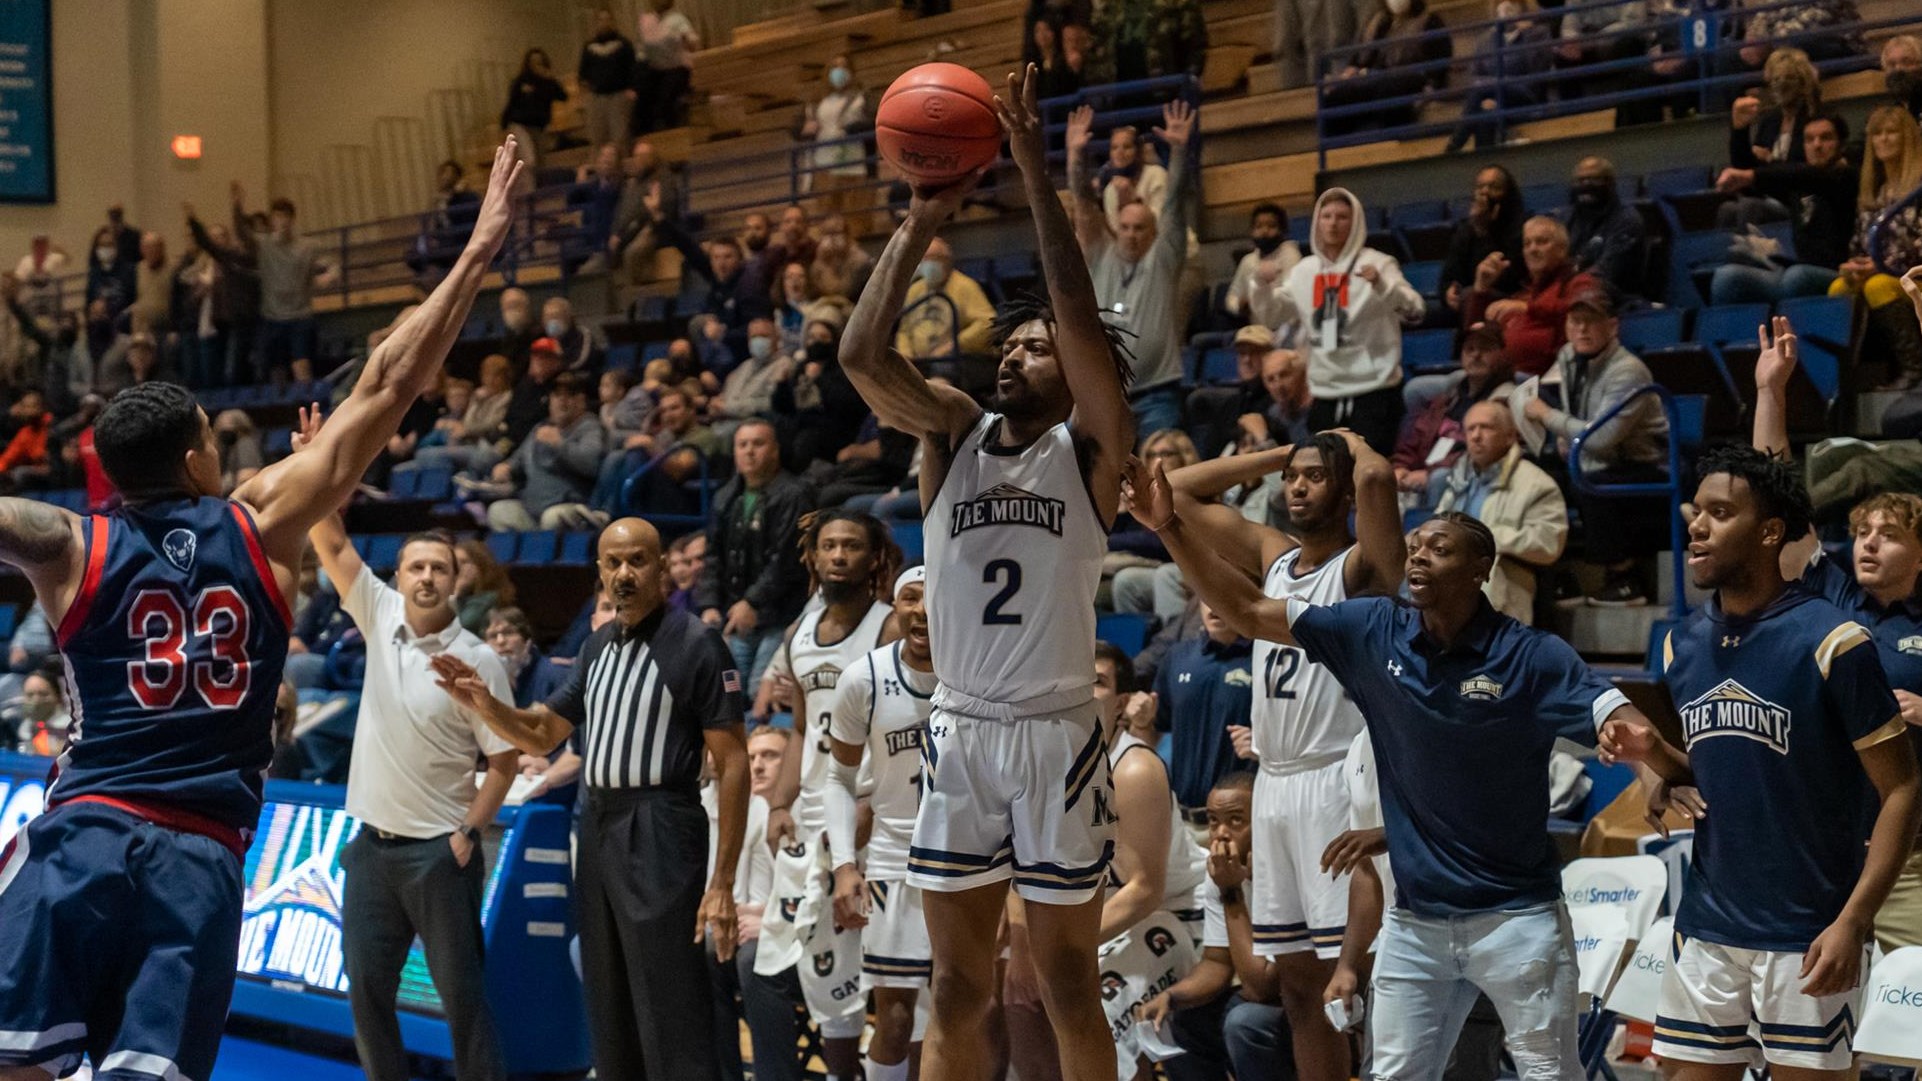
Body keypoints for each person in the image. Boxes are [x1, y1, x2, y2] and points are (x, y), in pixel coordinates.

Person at [0, 137, 523, 1081]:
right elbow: (390, 380)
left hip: (85, 832)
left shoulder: (70, 544)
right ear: (201, 458)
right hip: (198, 855)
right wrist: (478, 249)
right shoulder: (264, 521)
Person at [1131, 460, 1684, 1079]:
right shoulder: (1374, 631)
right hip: (1416, 922)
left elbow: (1622, 718)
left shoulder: (1530, 656)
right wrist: (1170, 528)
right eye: (1414, 545)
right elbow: (1252, 610)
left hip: (1517, 919)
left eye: (1439, 549)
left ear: (1480, 572)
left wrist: (1654, 765)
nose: (1417, 556)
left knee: (1549, 1074)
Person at [838, 65, 1136, 1081]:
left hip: (1054, 731)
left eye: (1036, 350)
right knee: (955, 986)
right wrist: (920, 219)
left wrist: (1026, 166)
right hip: (959, 729)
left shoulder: (1093, 452)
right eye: (1005, 346)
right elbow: (859, 354)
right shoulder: (952, 433)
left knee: (1063, 984)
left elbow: (1075, 310)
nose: (1013, 356)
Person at [432, 517, 750, 1081]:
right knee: (608, 996)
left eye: (637, 561)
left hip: (662, 825)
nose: (624, 573)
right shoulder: (597, 645)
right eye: (613, 563)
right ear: (599, 571)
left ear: (660, 567)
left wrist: (722, 884)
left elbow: (733, 764)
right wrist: (485, 704)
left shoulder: (698, 644)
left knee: (669, 1001)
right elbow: (543, 733)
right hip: (599, 823)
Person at [1644, 444, 1920, 1076]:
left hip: (1809, 932)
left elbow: (1902, 789)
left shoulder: (1834, 639)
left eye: (1720, 512)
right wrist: (1655, 774)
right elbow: (1694, 759)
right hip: (1708, 923)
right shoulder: (1679, 644)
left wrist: (1854, 921)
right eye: (1696, 511)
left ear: (1770, 533)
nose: (1697, 525)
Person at [1156, 430, 1402, 1081]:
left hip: (1335, 778)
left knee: (1350, 984)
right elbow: (1175, 490)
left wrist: (1350, 442)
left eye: (1315, 475)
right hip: (1275, 784)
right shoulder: (1273, 555)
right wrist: (1280, 452)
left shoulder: (1359, 570)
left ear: (1344, 488)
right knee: (1295, 987)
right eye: (1291, 477)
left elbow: (1379, 482)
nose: (1296, 485)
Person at [308, 518, 517, 1081]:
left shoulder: (480, 659)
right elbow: (329, 540)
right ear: (397, 576)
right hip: (371, 850)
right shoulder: (378, 615)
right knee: (367, 998)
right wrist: (318, 461)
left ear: (457, 582)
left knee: (464, 1005)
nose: (427, 577)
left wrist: (469, 832)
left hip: (439, 857)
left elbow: (503, 762)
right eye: (417, 567)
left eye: (439, 569)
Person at [758, 511, 900, 1081]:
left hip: (879, 814)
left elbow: (904, 730)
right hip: (816, 812)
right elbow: (799, 730)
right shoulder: (798, 634)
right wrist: (778, 804)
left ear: (873, 559)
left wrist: (871, 803)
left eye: (852, 546)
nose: (839, 554)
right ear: (812, 558)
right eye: (829, 546)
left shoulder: (891, 628)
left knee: (891, 972)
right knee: (824, 967)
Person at [827, 565, 938, 1081]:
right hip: (894, 859)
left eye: (932, 597)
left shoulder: (981, 673)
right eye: (909, 598)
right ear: (895, 608)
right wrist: (845, 865)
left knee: (977, 1011)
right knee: (895, 1018)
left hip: (973, 861)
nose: (921, 610)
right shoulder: (863, 679)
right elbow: (838, 780)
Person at [1137, 770, 1296, 1081]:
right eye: (1213, 821)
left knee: (1245, 1022)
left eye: (1236, 821)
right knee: (1176, 1021)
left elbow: (1262, 987)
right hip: (1263, 999)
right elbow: (1217, 963)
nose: (1221, 834)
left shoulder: (1283, 871)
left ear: (1263, 819)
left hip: (1306, 1009)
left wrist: (1231, 893)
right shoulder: (1220, 875)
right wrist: (1171, 997)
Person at [1522, 285, 1670, 606]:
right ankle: (1560, 576)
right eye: (1575, 321)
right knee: (1532, 479)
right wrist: (1565, 438)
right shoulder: (1567, 357)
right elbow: (1578, 417)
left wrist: (1549, 417)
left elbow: (1601, 439)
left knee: (1588, 485)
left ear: (1613, 326)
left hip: (1643, 465)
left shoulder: (1628, 370)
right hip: (1592, 459)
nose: (1582, 329)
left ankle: (1625, 577)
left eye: (1591, 321)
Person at [1069, 100, 1196, 435]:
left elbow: (1174, 205)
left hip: (1159, 395)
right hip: (1106, 397)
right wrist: (1075, 156)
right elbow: (1082, 204)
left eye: (1140, 228)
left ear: (1153, 233)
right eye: (1124, 227)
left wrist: (1180, 152)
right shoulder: (1100, 254)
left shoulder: (1163, 259)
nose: (1130, 234)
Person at [1269, 189, 1425, 454]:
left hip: (1375, 388)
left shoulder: (1378, 263)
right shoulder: (1304, 271)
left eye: (1341, 217)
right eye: (1326, 216)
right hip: (1325, 391)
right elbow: (1272, 313)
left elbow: (1415, 310)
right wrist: (1260, 286)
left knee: (1370, 476)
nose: (1332, 223)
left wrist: (1381, 285)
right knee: (1325, 476)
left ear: (1355, 223)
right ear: (1317, 222)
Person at [697, 420, 814, 693]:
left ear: (775, 450)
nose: (749, 451)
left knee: (761, 693)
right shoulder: (725, 497)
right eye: (742, 445)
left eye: (758, 444)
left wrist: (752, 601)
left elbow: (787, 560)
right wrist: (710, 604)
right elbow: (713, 556)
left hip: (784, 615)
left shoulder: (795, 494)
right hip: (737, 615)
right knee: (729, 693)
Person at [1433, 400, 1566, 623]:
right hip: (1450, 579)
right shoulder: (1458, 480)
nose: (1476, 436)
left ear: (1510, 436)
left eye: (1486, 427)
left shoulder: (1537, 484)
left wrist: (1488, 538)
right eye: (1471, 429)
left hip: (1501, 583)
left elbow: (1549, 543)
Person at [1709, 113, 1855, 305]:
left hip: (1840, 274)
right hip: (1800, 272)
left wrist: (1750, 175)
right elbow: (1755, 171)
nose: (1817, 145)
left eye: (1825, 138)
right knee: (1727, 277)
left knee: (1797, 277)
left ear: (1841, 145)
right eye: (1809, 139)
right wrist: (1739, 130)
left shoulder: (1846, 177)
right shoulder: (1796, 183)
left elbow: (1807, 175)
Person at [1831, 105, 1922, 389]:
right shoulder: (1874, 191)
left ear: (1907, 137)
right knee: (1839, 288)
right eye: (1877, 133)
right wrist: (1855, 265)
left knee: (1878, 285)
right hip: (1880, 272)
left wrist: (1882, 264)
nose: (1883, 139)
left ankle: (1915, 370)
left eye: (1891, 132)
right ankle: (1846, 380)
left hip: (1914, 275)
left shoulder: (1919, 188)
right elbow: (1859, 243)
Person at [1393, 324, 1517, 503]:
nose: (1476, 355)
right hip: (1424, 472)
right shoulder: (1445, 399)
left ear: (1501, 355)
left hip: (1469, 475)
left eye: (1485, 349)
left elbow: (1480, 450)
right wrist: (1400, 467)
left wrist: (1429, 474)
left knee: (1440, 479)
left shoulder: (1505, 402)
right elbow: (1413, 438)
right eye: (1469, 349)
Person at [1154, 602, 1256, 812]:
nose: (1213, 605)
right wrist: (1141, 720)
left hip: (1242, 818)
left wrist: (1261, 745)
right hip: (1181, 814)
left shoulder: (1264, 658)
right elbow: (1155, 728)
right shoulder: (1177, 657)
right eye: (1205, 596)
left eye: (1221, 595)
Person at [485, 371, 607, 531]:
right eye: (557, 395)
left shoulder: (589, 426)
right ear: (550, 401)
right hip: (531, 508)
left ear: (581, 401)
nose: (562, 400)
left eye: (570, 395)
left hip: (566, 505)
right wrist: (506, 467)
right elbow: (518, 459)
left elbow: (592, 464)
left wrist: (560, 444)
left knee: (553, 517)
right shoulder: (540, 428)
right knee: (498, 511)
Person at [1318, 0, 1452, 137]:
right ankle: (1338, 152)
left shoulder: (1430, 21)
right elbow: (1362, 59)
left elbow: (1438, 68)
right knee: (1336, 97)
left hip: (1412, 79)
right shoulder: (1379, 23)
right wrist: (1354, 70)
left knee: (1391, 91)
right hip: (1377, 79)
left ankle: (1394, 142)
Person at [1440, 166, 1526, 314]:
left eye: (1493, 187)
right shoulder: (1465, 230)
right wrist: (1448, 291)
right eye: (1480, 187)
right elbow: (1450, 275)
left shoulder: (1522, 228)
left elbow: (1509, 279)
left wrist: (1483, 232)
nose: (1484, 192)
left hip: (1510, 300)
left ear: (1507, 193)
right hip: (1468, 302)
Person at [895, 237, 996, 360]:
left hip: (956, 360)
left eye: (933, 259)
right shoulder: (915, 290)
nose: (927, 264)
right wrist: (907, 358)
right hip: (919, 362)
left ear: (947, 261)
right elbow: (904, 331)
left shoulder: (965, 286)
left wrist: (954, 345)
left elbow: (987, 323)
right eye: (924, 259)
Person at [1561, 157, 1647, 296]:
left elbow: (1609, 271)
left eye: (1595, 179)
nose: (1586, 185)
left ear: (1611, 183)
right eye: (1580, 180)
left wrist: (1569, 284)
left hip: (1613, 298)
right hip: (1571, 292)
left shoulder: (1627, 220)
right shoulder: (1567, 217)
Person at [1223, 204, 1304, 334]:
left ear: (1283, 231)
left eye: (1271, 226)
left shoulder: (1291, 256)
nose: (1264, 231)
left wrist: (1262, 289)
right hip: (1258, 332)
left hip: (1289, 330)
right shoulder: (1248, 261)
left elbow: (1290, 297)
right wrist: (1239, 305)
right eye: (1258, 226)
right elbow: (1231, 297)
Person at [500, 49, 567, 179]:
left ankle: (539, 192)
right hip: (520, 124)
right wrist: (504, 124)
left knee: (541, 164)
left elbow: (563, 96)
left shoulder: (548, 82)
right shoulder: (521, 81)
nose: (537, 65)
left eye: (539, 62)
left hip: (539, 126)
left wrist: (551, 79)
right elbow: (512, 102)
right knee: (529, 159)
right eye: (533, 62)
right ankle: (529, 192)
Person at [578, 8, 638, 151]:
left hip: (619, 95)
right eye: (601, 20)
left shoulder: (623, 44)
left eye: (607, 19)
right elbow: (583, 74)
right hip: (597, 97)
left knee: (620, 137)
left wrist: (631, 89)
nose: (604, 23)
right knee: (597, 137)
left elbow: (633, 69)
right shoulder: (589, 47)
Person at [636, 0, 698, 133]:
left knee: (666, 99)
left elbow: (692, 41)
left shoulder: (678, 20)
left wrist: (687, 40)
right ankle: (648, 135)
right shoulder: (646, 20)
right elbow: (643, 49)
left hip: (677, 68)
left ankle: (673, 132)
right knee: (642, 99)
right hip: (656, 70)